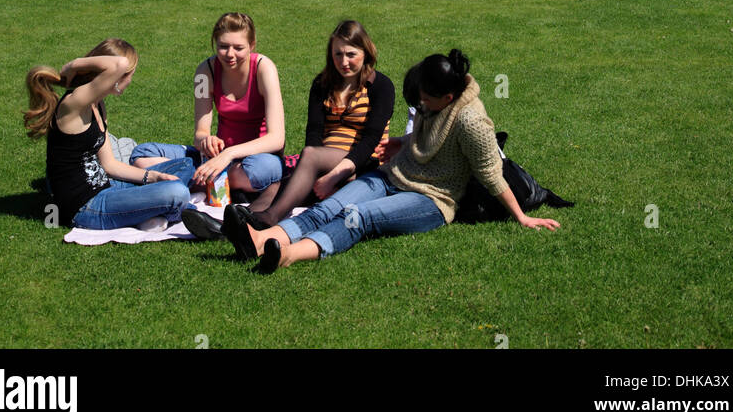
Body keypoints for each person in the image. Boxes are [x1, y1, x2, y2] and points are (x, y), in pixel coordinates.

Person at [218, 49, 560, 272]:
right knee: (328, 207)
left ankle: (290, 254)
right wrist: (402, 141)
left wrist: (521, 217)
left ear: (449, 97)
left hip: (431, 199)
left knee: (358, 216)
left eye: (426, 99)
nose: (420, 104)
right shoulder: (435, 97)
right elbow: (432, 135)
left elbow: (490, 172)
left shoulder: (472, 121)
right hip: (393, 176)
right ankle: (263, 239)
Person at [193, 19, 395, 238]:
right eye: (338, 54)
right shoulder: (322, 84)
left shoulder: (380, 86)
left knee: (308, 156)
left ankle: (269, 218)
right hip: (324, 162)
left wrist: (334, 176)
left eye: (351, 54)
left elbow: (371, 139)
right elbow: (314, 133)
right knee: (276, 188)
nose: (344, 61)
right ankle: (230, 229)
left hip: (364, 162)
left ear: (365, 52)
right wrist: (319, 173)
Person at [131, 13, 285, 228]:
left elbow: (277, 139)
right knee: (142, 154)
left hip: (253, 160)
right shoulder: (205, 71)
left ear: (252, 45)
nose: (230, 54)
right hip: (215, 158)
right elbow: (200, 131)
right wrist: (205, 141)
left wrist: (228, 154)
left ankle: (186, 182)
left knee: (263, 170)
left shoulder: (264, 68)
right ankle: (207, 181)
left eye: (238, 48)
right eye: (223, 46)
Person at [24, 39, 194, 230]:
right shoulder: (74, 104)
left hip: (105, 186)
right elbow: (119, 64)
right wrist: (75, 64)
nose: (130, 80)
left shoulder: (97, 104)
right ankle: (155, 212)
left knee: (185, 165)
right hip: (84, 206)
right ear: (117, 76)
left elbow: (109, 165)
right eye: (130, 75)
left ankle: (148, 212)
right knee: (177, 192)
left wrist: (154, 177)